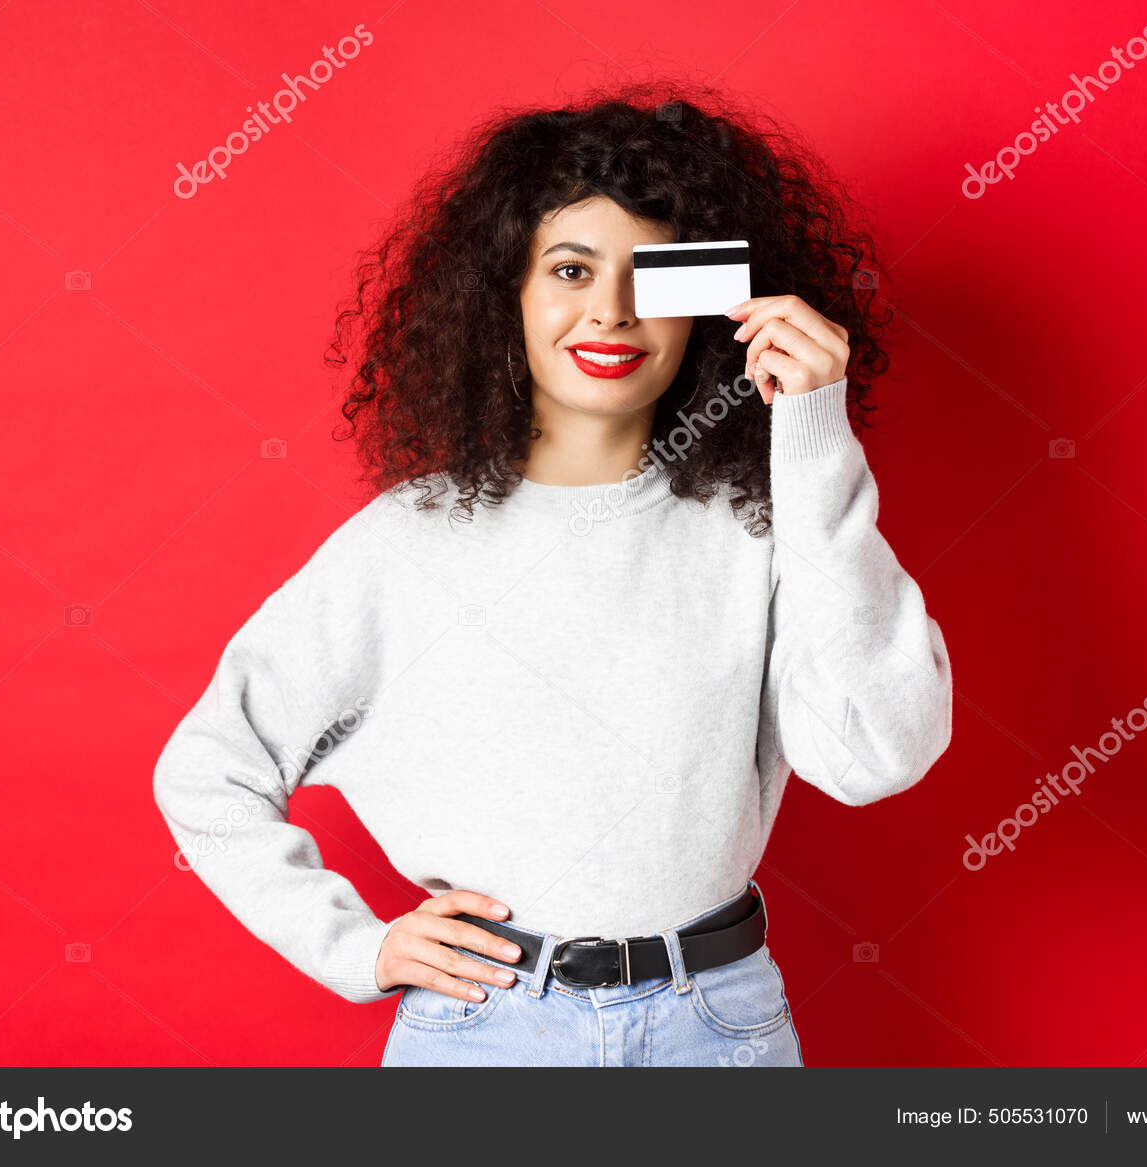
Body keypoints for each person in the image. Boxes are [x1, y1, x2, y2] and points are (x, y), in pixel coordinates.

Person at [152, 82, 954, 1067]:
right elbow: (209, 772)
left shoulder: (759, 532)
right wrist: (358, 948)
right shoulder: (405, 542)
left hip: (719, 1026)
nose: (610, 311)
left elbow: (878, 754)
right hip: (487, 1032)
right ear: (508, 296)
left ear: (703, 302)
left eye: (649, 274)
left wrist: (812, 437)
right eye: (570, 270)